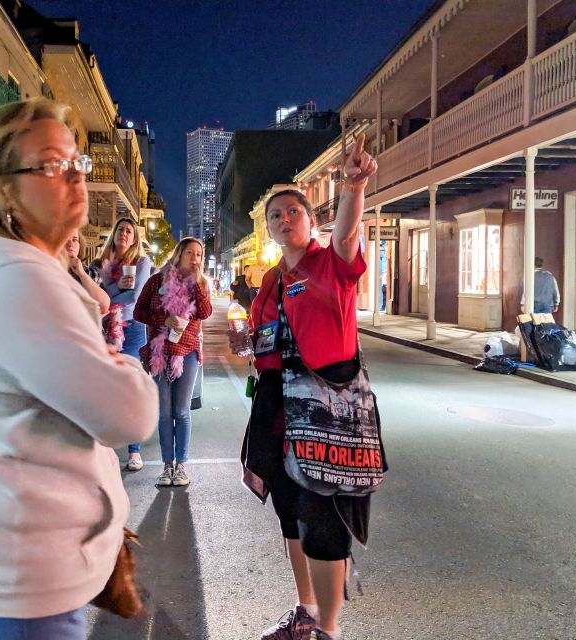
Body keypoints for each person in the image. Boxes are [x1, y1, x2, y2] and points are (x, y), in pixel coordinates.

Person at [0, 98, 158, 640]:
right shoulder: (19, 283)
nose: (73, 178)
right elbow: (131, 415)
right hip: (15, 593)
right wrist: (123, 367)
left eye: (76, 163)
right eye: (51, 164)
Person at [233, 135, 378, 640]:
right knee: (290, 512)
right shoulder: (270, 279)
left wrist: (353, 187)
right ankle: (306, 610)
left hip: (329, 405)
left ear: (310, 220)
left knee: (323, 513)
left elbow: (347, 234)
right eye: (275, 215)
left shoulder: (330, 262)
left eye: (293, 211)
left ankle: (329, 630)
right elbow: (265, 339)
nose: (283, 219)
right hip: (277, 404)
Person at [134, 237, 212, 488]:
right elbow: (139, 312)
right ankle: (167, 465)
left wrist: (198, 283)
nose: (195, 258)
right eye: (190, 252)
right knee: (165, 413)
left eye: (199, 254)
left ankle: (181, 466)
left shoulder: (201, 284)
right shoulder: (157, 280)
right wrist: (163, 320)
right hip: (160, 351)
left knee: (182, 410)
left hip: (187, 352)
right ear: (178, 254)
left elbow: (205, 312)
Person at [97, 217, 152, 471]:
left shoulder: (142, 262)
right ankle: (103, 449)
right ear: (115, 233)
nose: (125, 234)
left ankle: (134, 451)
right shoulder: (103, 263)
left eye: (129, 231)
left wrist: (111, 290)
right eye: (121, 229)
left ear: (135, 238)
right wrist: (115, 289)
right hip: (106, 328)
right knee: (106, 387)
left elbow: (135, 295)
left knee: (130, 388)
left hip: (133, 330)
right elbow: (96, 295)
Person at [64, 229, 110, 315]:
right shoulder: (47, 269)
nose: (71, 244)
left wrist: (82, 274)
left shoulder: (88, 272)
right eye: (65, 238)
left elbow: (104, 306)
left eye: (75, 240)